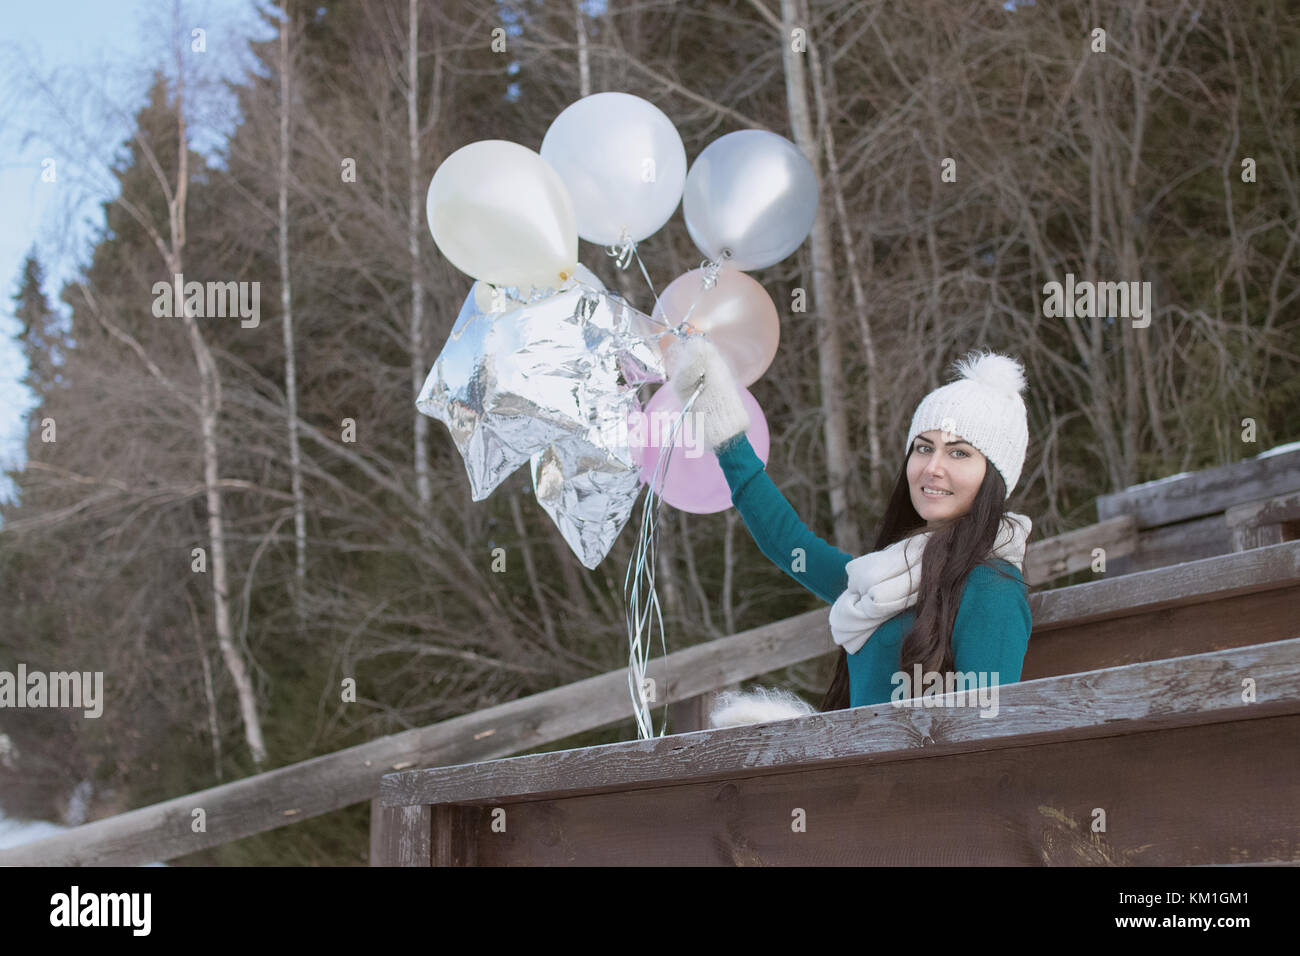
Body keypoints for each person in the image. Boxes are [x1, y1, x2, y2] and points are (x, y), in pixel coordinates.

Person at [664, 337, 1034, 726]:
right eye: (924, 448)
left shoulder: (992, 586)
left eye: (959, 453)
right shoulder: (886, 577)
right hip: (862, 776)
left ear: (993, 476)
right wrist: (727, 435)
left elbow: (987, 736)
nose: (932, 467)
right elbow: (790, 545)